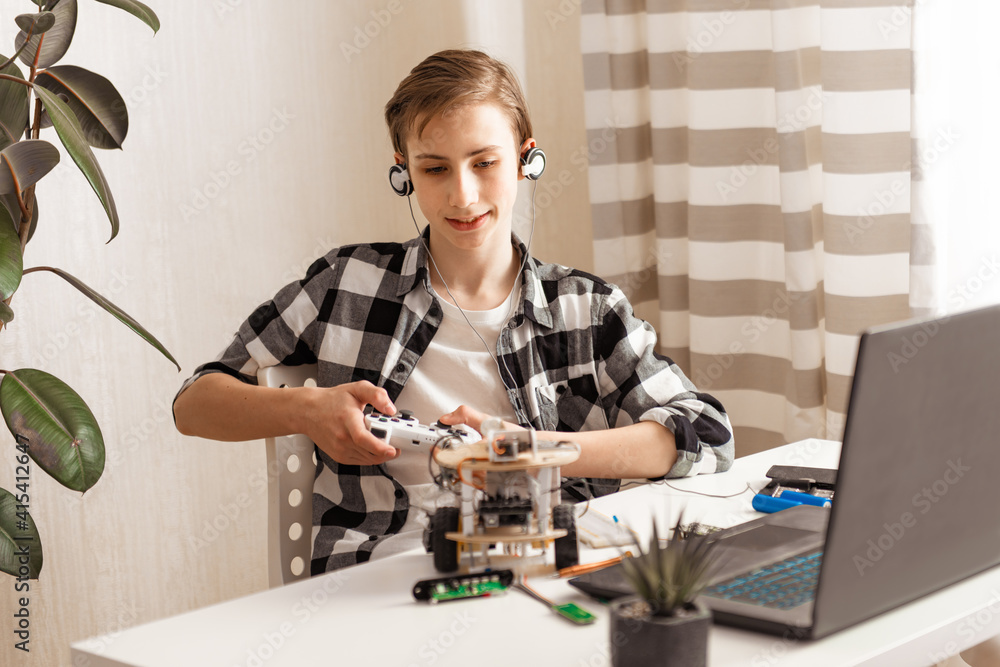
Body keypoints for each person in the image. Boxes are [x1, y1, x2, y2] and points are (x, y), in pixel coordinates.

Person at [173, 49, 734, 575]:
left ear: (525, 159)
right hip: (376, 579)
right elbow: (193, 404)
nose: (462, 196)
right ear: (405, 171)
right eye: (435, 169)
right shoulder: (347, 284)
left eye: (484, 162)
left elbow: (709, 434)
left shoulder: (586, 310)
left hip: (539, 569)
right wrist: (306, 409)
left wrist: (542, 453)